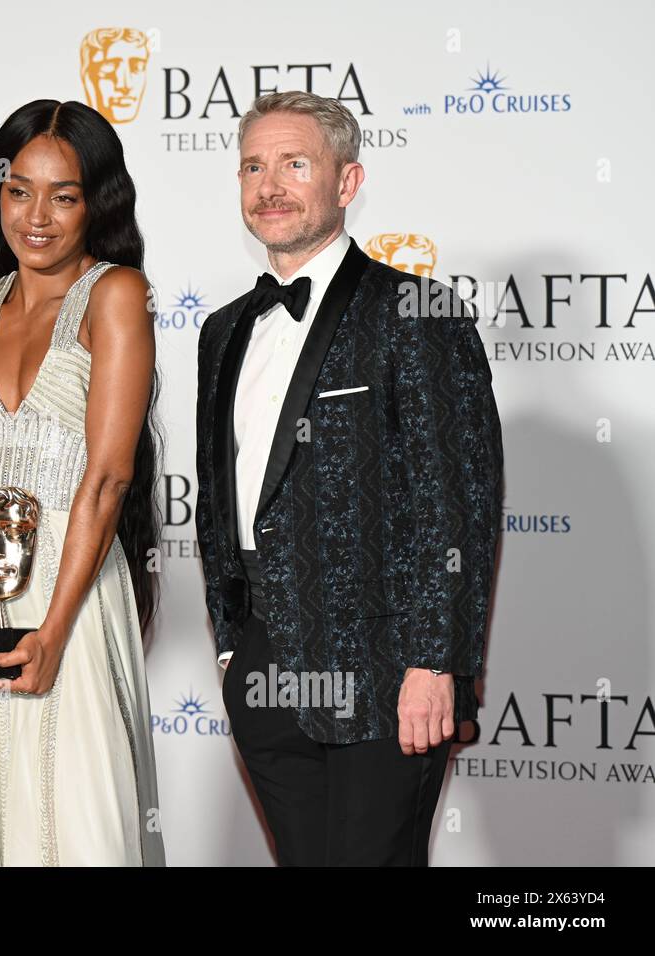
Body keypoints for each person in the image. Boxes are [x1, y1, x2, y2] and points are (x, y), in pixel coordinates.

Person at [195, 91, 503, 865]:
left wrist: (436, 664)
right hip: (265, 671)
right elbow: (219, 493)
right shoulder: (223, 329)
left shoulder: (417, 311)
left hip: (386, 671)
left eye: (296, 164)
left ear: (348, 180)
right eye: (254, 166)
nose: (270, 185)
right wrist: (233, 648)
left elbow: (456, 505)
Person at [0, 99, 166, 866]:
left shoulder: (114, 296)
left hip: (69, 592)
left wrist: (51, 628)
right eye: (19, 191)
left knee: (78, 817)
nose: (37, 216)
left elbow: (109, 479)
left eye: (64, 194)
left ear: (98, 201)